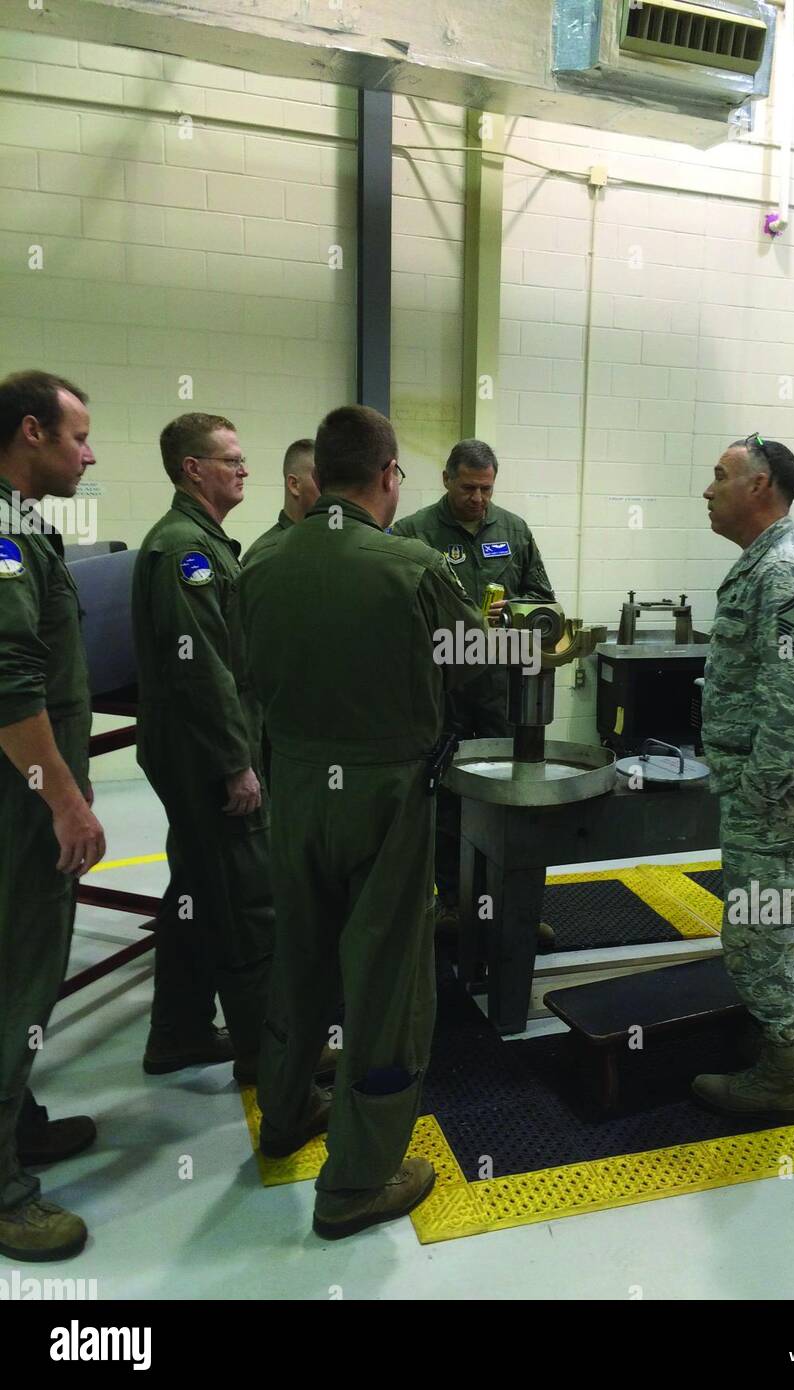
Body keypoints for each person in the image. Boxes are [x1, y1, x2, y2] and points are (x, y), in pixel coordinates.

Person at [237, 404, 487, 1239]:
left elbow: (247, 672)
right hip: (387, 798)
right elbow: (477, 675)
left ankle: (283, 1113)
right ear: (388, 477)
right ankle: (358, 1182)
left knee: (300, 954)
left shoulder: (261, 558)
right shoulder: (411, 566)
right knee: (384, 982)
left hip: (295, 789)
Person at [693, 434, 794, 1117]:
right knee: (776, 918)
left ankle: (779, 1079)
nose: (708, 489)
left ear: (759, 487)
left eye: (720, 476)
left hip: (775, 789)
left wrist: (758, 789)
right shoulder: (768, 565)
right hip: (770, 784)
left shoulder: (784, 574)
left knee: (757, 926)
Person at [132, 413, 273, 1085]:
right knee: (246, 899)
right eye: (232, 461)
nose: (245, 471)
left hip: (196, 747)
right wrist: (235, 762)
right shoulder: (183, 550)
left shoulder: (204, 543)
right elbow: (202, 668)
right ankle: (269, 1058)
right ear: (194, 470)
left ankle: (178, 1034)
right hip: (203, 755)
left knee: (195, 888)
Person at [0, 370, 105, 1261]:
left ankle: (17, 1122)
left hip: (25, 798)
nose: (89, 452)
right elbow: (8, 684)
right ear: (31, 431)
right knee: (15, 977)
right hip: (18, 809)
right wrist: (65, 802)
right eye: (77, 437)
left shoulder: (21, 521)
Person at [392, 439, 555, 935]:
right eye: (469, 488)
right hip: (441, 694)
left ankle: (518, 907)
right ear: (446, 479)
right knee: (446, 798)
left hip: (502, 694)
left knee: (514, 797)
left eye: (486, 489)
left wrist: (517, 612)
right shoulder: (412, 533)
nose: (478, 498)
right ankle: (451, 904)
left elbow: (544, 603)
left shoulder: (513, 530)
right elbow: (396, 614)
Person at [242, 437, 320, 567]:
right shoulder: (266, 554)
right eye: (321, 478)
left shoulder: (323, 543)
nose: (331, 489)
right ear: (294, 485)